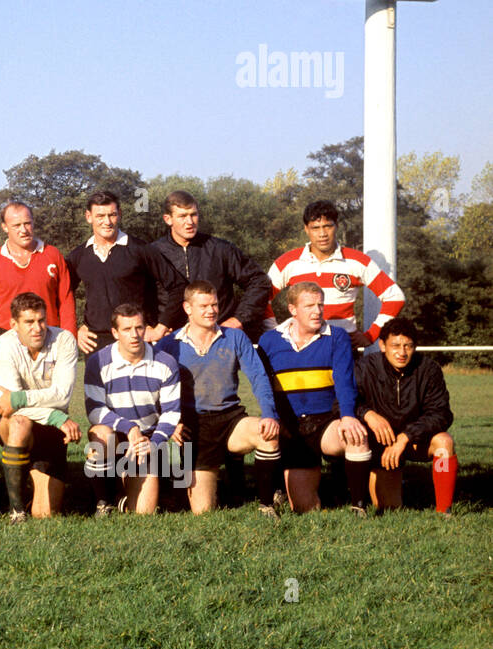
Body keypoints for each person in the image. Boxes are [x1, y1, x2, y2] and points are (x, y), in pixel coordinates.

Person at [157, 281, 281, 514]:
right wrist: (169, 422)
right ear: (187, 308)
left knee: (267, 434)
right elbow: (153, 388)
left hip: (230, 418)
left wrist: (268, 414)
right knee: (203, 511)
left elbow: (258, 377)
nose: (211, 310)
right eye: (203, 305)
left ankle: (267, 504)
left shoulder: (235, 337)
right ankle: (220, 484)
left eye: (214, 304)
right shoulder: (168, 344)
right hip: (193, 426)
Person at [257, 282, 372, 515]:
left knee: (356, 435)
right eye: (309, 305)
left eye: (320, 304)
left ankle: (358, 506)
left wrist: (348, 416)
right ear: (292, 309)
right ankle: (276, 491)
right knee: (305, 509)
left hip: (325, 423)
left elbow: (344, 382)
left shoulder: (337, 336)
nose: (317, 311)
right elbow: (263, 387)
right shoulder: (269, 341)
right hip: (290, 427)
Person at [266, 199, 405, 348]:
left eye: (328, 226)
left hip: (342, 347)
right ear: (306, 229)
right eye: (315, 228)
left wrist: (371, 335)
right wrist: (276, 333)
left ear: (336, 226)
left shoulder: (357, 261)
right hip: (301, 349)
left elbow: (395, 297)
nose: (322, 234)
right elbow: (261, 300)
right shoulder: (287, 261)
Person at [0, 292, 82, 521]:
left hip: (52, 431)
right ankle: (16, 510)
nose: (37, 328)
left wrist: (19, 398)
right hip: (29, 423)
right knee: (20, 423)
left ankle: (28, 477)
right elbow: (9, 406)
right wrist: (56, 417)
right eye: (29, 322)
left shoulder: (64, 340)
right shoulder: (3, 344)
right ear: (14, 325)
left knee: (46, 515)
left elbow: (61, 395)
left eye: (42, 320)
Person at [83, 304, 182, 515]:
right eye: (127, 329)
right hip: (116, 436)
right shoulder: (97, 362)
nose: (134, 335)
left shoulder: (165, 362)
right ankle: (104, 502)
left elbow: (171, 412)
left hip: (147, 440)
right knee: (101, 433)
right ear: (115, 333)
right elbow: (94, 409)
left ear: (146, 328)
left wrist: (152, 443)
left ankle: (125, 492)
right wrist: (128, 428)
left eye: (139, 327)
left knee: (144, 512)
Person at [354, 317, 457, 515]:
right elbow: (345, 403)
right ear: (382, 345)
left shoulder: (428, 369)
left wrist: (406, 436)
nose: (402, 352)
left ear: (415, 346)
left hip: (412, 441)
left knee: (444, 442)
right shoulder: (365, 367)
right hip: (381, 445)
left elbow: (441, 413)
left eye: (408, 346)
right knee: (390, 508)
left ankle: (445, 511)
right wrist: (368, 414)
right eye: (396, 345)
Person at [145, 190, 269, 343]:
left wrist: (238, 319)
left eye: (194, 214)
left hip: (218, 340)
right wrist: (150, 326)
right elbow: (135, 294)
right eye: (182, 216)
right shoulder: (153, 252)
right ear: (168, 219)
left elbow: (259, 281)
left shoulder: (220, 249)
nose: (190, 222)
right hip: (171, 341)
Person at [0, 201, 76, 366]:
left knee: (52, 393)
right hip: (8, 346)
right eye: (16, 225)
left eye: (27, 223)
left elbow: (66, 302)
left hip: (48, 342)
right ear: (5, 227)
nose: (23, 230)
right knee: (12, 393)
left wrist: (69, 343)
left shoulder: (53, 255)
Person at [65, 191, 158, 355]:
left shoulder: (141, 249)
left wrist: (158, 327)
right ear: (89, 217)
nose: (107, 222)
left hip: (136, 336)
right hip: (96, 342)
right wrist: (76, 330)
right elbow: (62, 295)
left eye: (112, 215)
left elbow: (174, 286)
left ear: (119, 214)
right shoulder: (78, 256)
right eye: (100, 216)